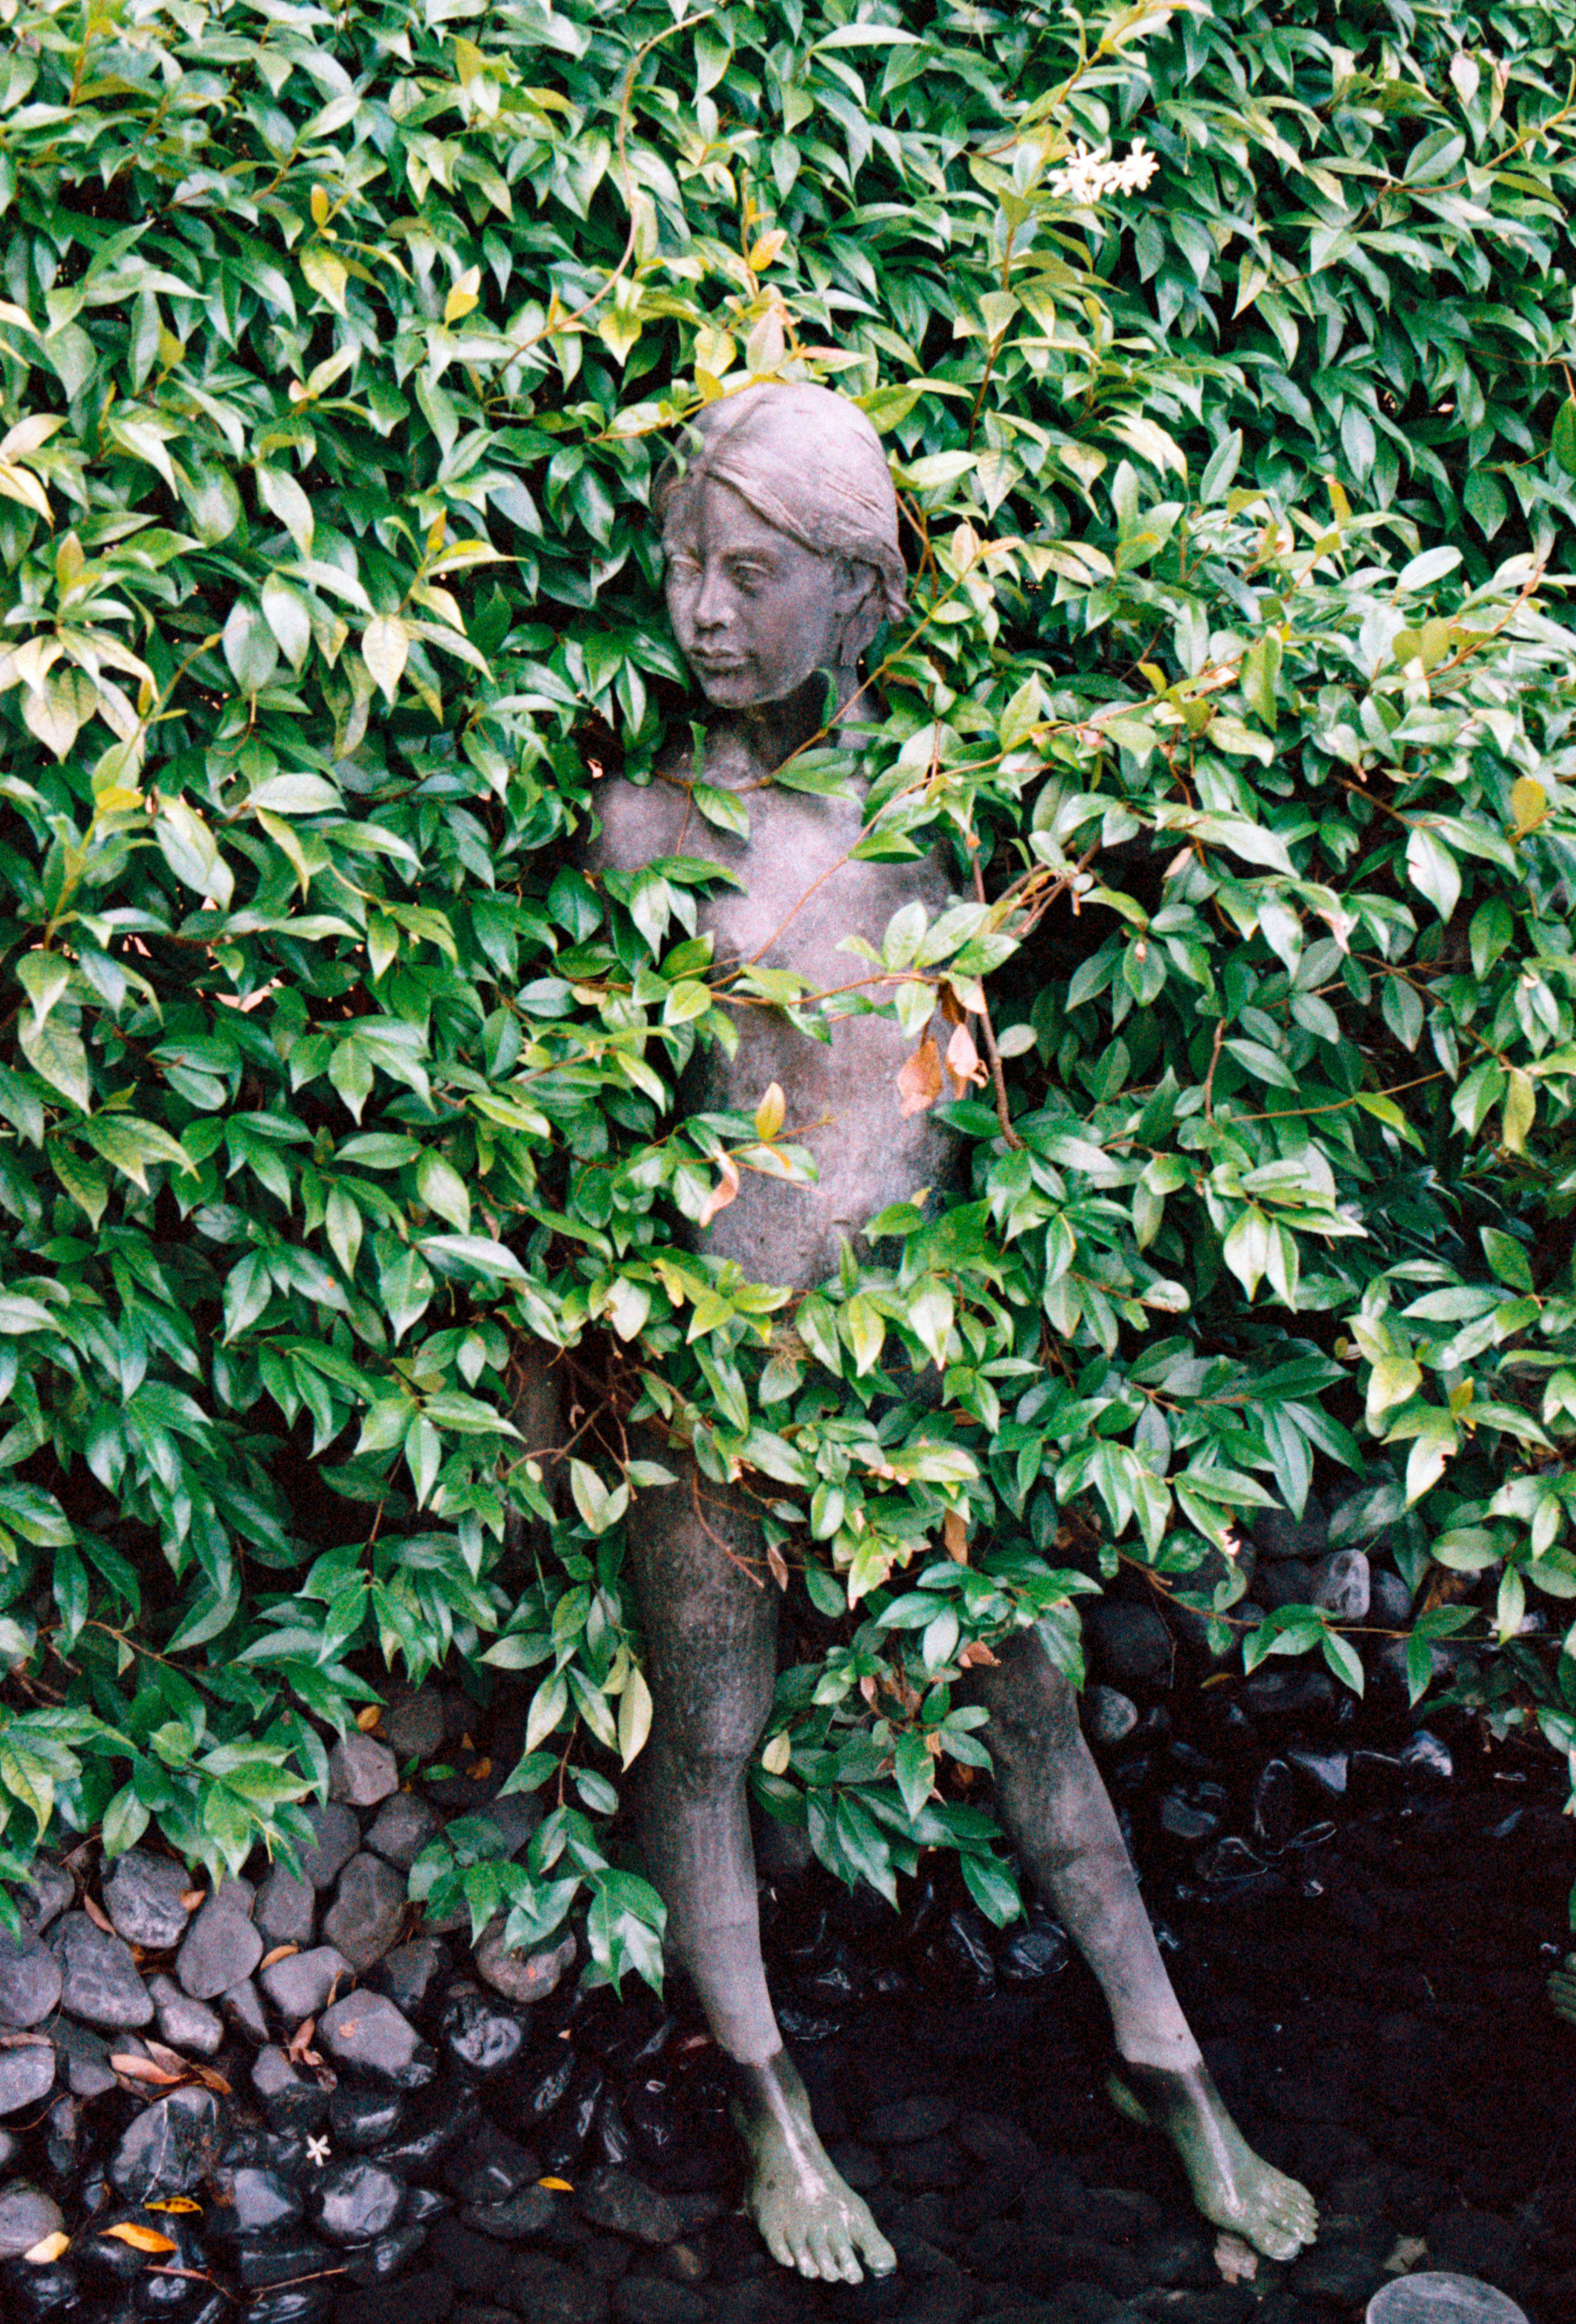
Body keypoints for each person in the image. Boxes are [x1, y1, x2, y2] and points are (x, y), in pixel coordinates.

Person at [579, 382, 1318, 2281]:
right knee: (716, 1727)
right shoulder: (643, 828)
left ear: (858, 598)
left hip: (917, 1370)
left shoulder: (945, 826)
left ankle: (1176, 2076)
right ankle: (774, 2111)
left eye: (749, 575)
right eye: (682, 565)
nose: (703, 612)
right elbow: (608, 1120)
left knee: (1031, 1711)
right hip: (722, 1371)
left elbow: (965, 1071)